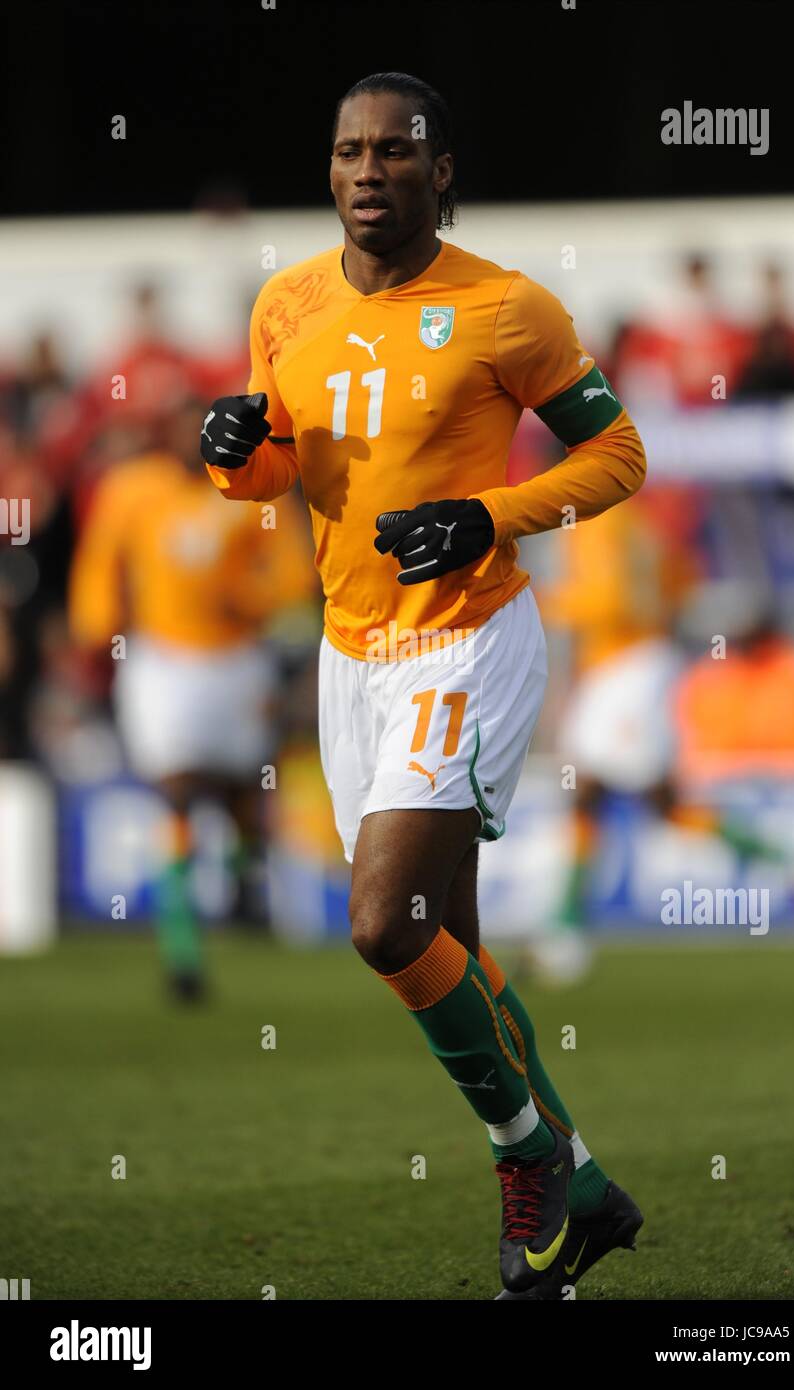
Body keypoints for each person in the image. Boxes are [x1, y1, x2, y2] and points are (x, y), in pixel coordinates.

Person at [201, 72, 646, 1299]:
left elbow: (619, 451)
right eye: (349, 151)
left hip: (466, 641)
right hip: (352, 657)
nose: (367, 171)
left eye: (397, 151)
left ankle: (529, 1159)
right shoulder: (285, 303)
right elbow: (279, 469)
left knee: (381, 920)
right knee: (445, 943)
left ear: (440, 173)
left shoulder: (506, 309)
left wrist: (489, 516)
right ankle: (590, 1188)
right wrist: (237, 459)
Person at [70, 391, 313, 1000]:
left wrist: (252, 600)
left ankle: (243, 886)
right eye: (185, 430)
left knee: (238, 795)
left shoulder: (255, 489)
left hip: (237, 660)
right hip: (163, 661)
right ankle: (182, 950)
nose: (195, 444)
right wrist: (95, 627)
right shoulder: (131, 488)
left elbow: (292, 574)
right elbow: (102, 561)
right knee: (177, 788)